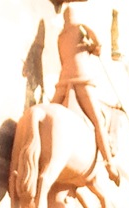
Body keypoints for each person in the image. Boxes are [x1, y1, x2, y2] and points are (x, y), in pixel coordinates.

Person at [51, 7, 119, 184]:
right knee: (98, 122)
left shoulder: (60, 37)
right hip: (81, 79)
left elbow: (62, 60)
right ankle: (109, 164)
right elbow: (99, 45)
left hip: (63, 80)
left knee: (50, 112)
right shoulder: (81, 28)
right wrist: (91, 47)